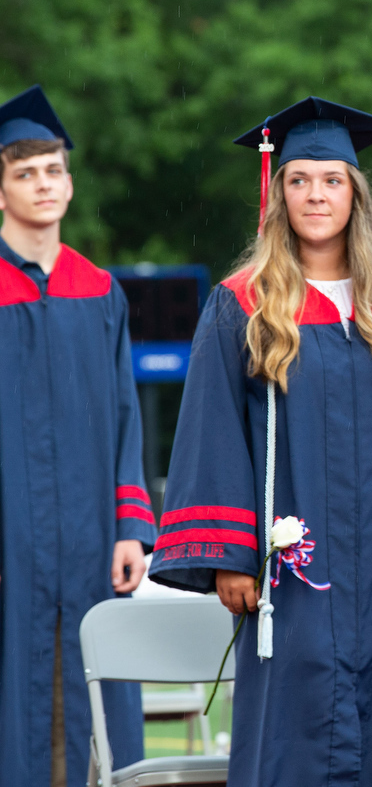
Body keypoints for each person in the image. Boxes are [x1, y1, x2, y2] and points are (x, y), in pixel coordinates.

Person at [147, 97, 372, 786]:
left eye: (332, 180)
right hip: (292, 573)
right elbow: (213, 434)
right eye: (299, 179)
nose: (315, 194)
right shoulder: (243, 304)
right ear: (277, 195)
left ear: (355, 194)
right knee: (292, 732)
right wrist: (231, 556)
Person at [0, 85, 153, 787]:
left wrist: (131, 526)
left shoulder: (100, 291)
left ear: (69, 181)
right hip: (12, 533)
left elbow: (126, 417)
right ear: (2, 188)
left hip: (94, 533)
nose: (42, 184)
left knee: (95, 696)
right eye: (24, 172)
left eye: (53, 170)